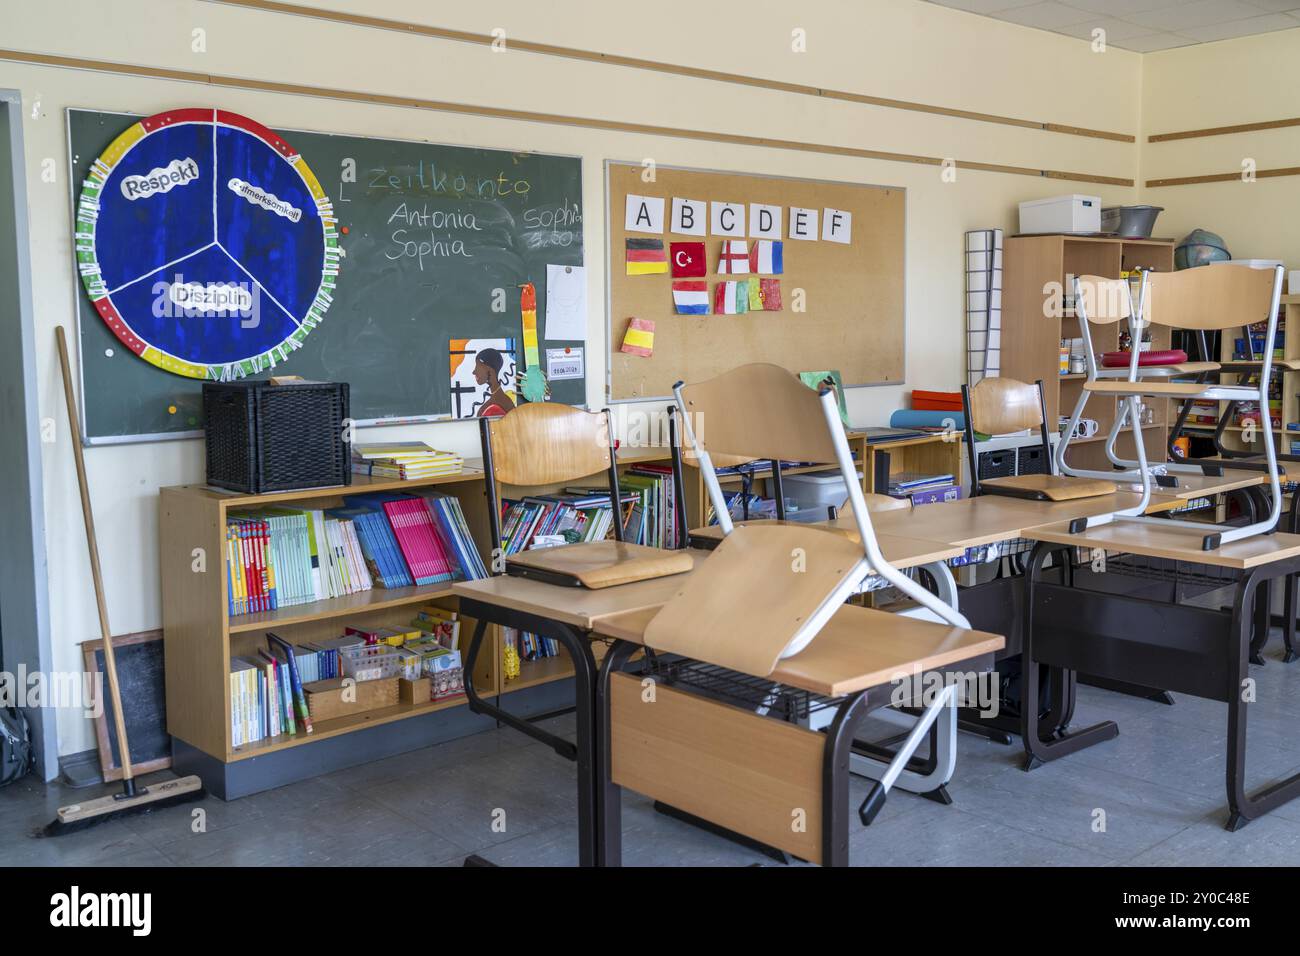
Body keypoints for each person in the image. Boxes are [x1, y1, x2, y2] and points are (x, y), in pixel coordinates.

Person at [473, 347, 516, 417]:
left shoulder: (504, 403)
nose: (474, 372)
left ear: (490, 369)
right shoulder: (498, 401)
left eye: (478, 366)